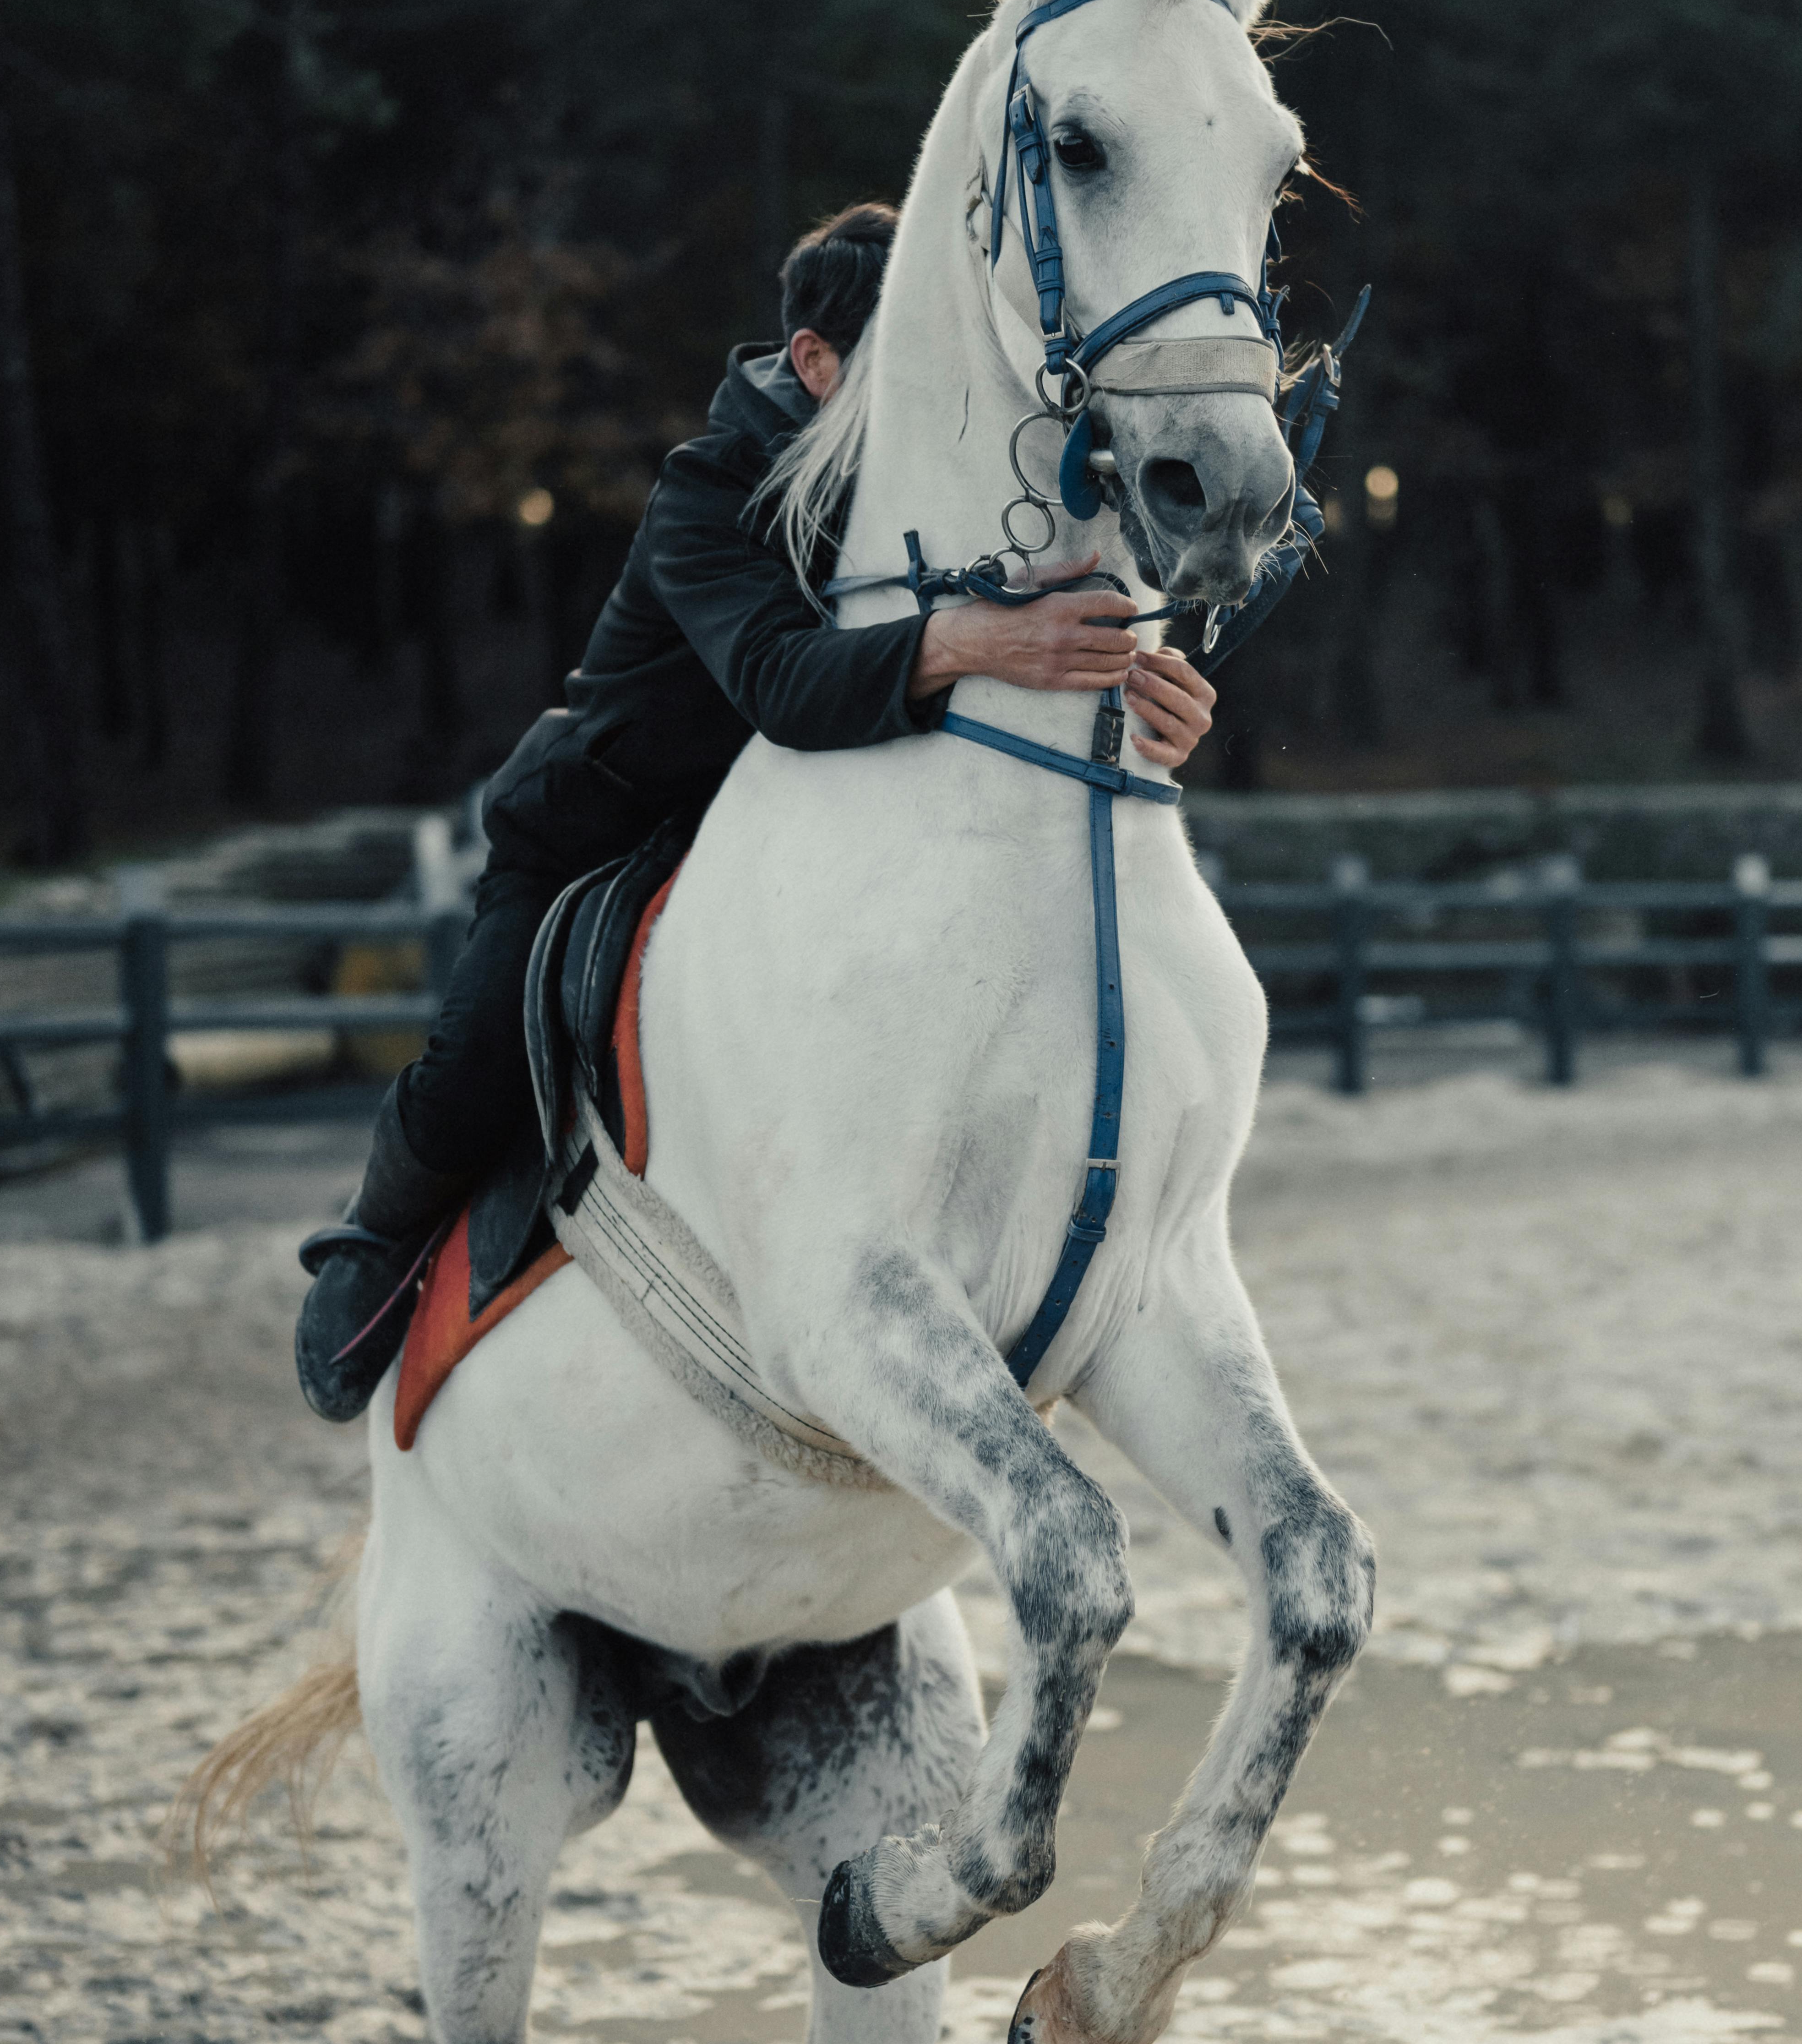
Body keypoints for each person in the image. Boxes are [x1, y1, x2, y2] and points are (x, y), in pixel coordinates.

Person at [296, 201, 1217, 1418]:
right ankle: (374, 1243)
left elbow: (1039, 651)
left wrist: (1154, 700)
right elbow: (784, 682)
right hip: (612, 831)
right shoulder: (710, 488)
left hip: (810, 838)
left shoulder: (940, 482)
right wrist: (987, 638)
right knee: (475, 1068)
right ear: (813, 362)